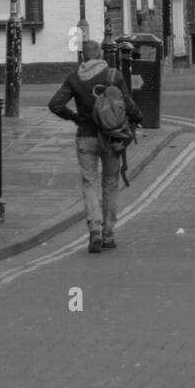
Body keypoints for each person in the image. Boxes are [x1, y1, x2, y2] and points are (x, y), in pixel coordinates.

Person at [48, 38, 142, 253]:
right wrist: (139, 117)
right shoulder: (113, 75)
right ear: (101, 56)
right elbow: (128, 104)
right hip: (112, 137)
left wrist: (74, 117)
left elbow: (55, 104)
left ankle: (95, 229)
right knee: (110, 183)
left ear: (83, 57)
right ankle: (108, 234)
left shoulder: (74, 78)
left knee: (89, 183)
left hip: (86, 137)